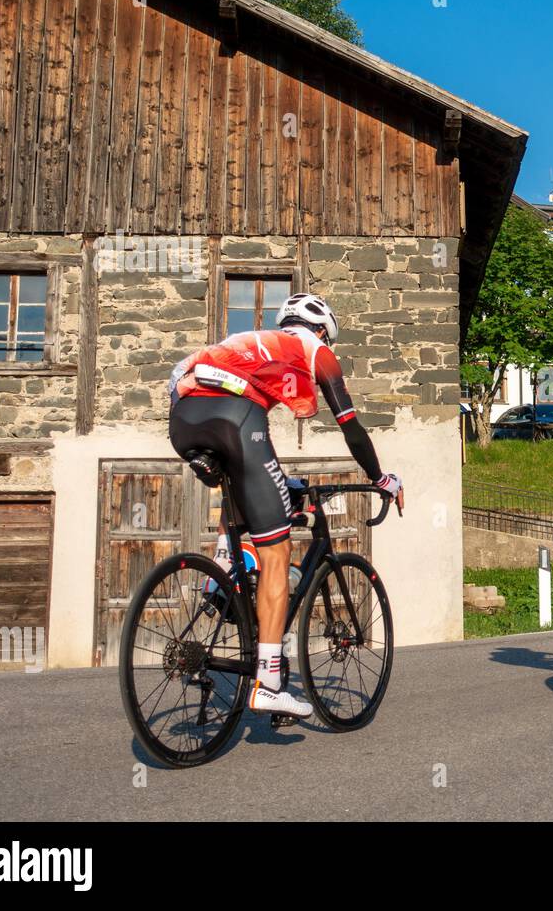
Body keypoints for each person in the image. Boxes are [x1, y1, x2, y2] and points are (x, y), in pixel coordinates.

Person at [167, 293, 405, 719]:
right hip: (233, 416)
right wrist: (380, 478)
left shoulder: (251, 340)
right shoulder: (316, 351)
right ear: (322, 331)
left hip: (183, 417)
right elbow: (350, 428)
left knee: (242, 491)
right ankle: (270, 683)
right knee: (278, 551)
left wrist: (280, 482)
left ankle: (222, 573)